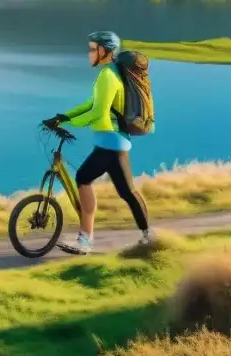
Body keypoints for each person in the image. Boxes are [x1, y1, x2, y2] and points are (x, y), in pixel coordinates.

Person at [44, 31, 151, 255]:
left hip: (110, 142)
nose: (90, 53)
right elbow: (90, 104)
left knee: (84, 179)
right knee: (127, 192)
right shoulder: (108, 74)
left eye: (94, 49)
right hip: (112, 142)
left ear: (105, 51)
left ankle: (85, 241)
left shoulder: (108, 77)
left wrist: (71, 124)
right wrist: (63, 117)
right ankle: (147, 236)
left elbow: (98, 113)